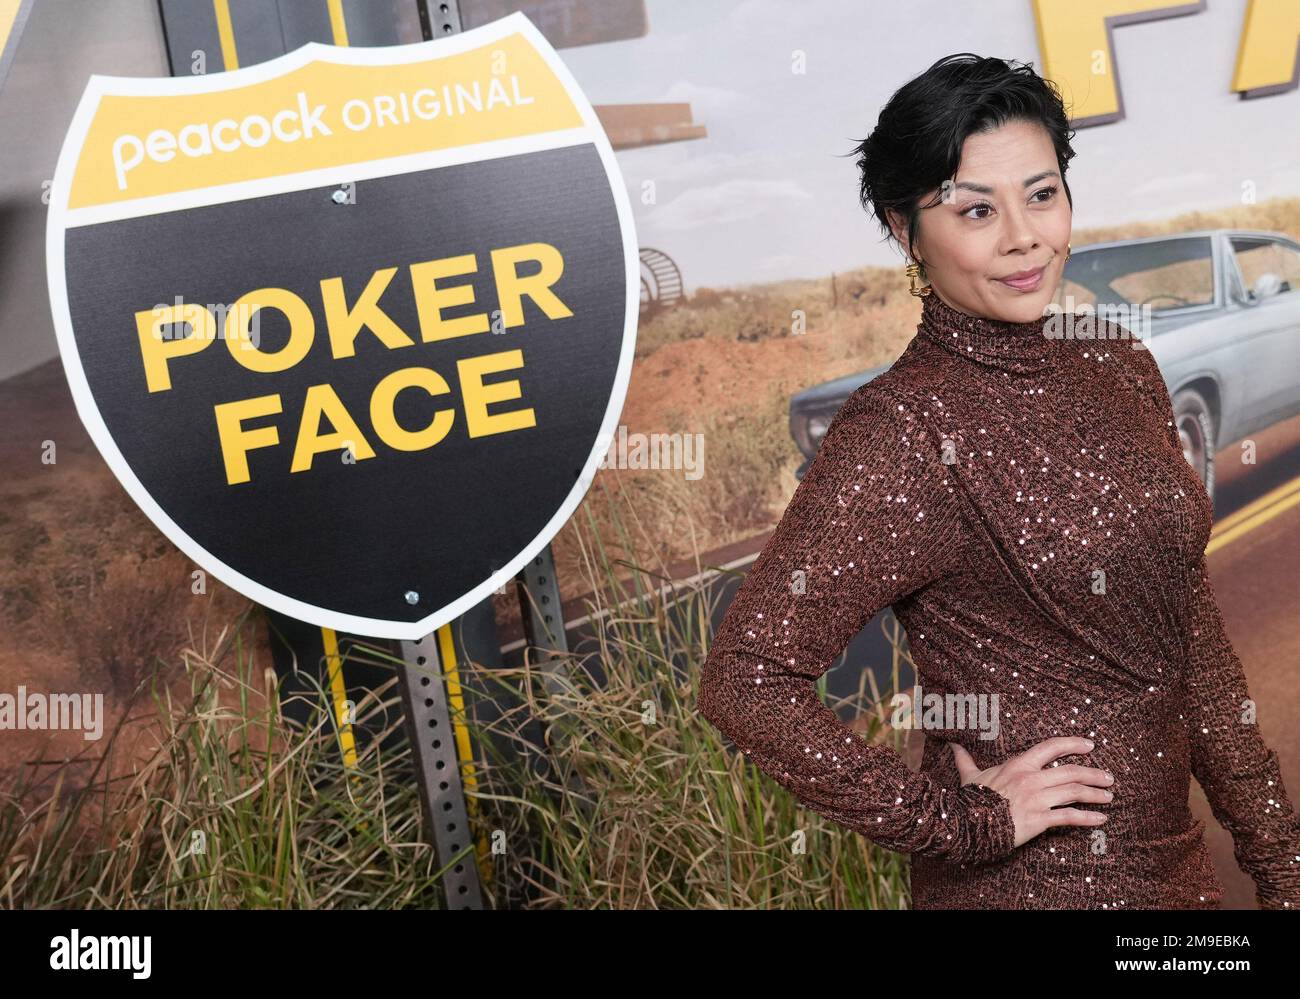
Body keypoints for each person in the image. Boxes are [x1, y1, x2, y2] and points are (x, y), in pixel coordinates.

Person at [695, 53, 1300, 909]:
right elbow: (744, 680)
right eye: (976, 209)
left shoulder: (1120, 365)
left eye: (1042, 194)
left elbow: (1191, 635)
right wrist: (958, 822)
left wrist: (1280, 865)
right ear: (906, 233)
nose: (1024, 236)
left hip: (1175, 876)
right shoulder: (901, 430)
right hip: (1028, 886)